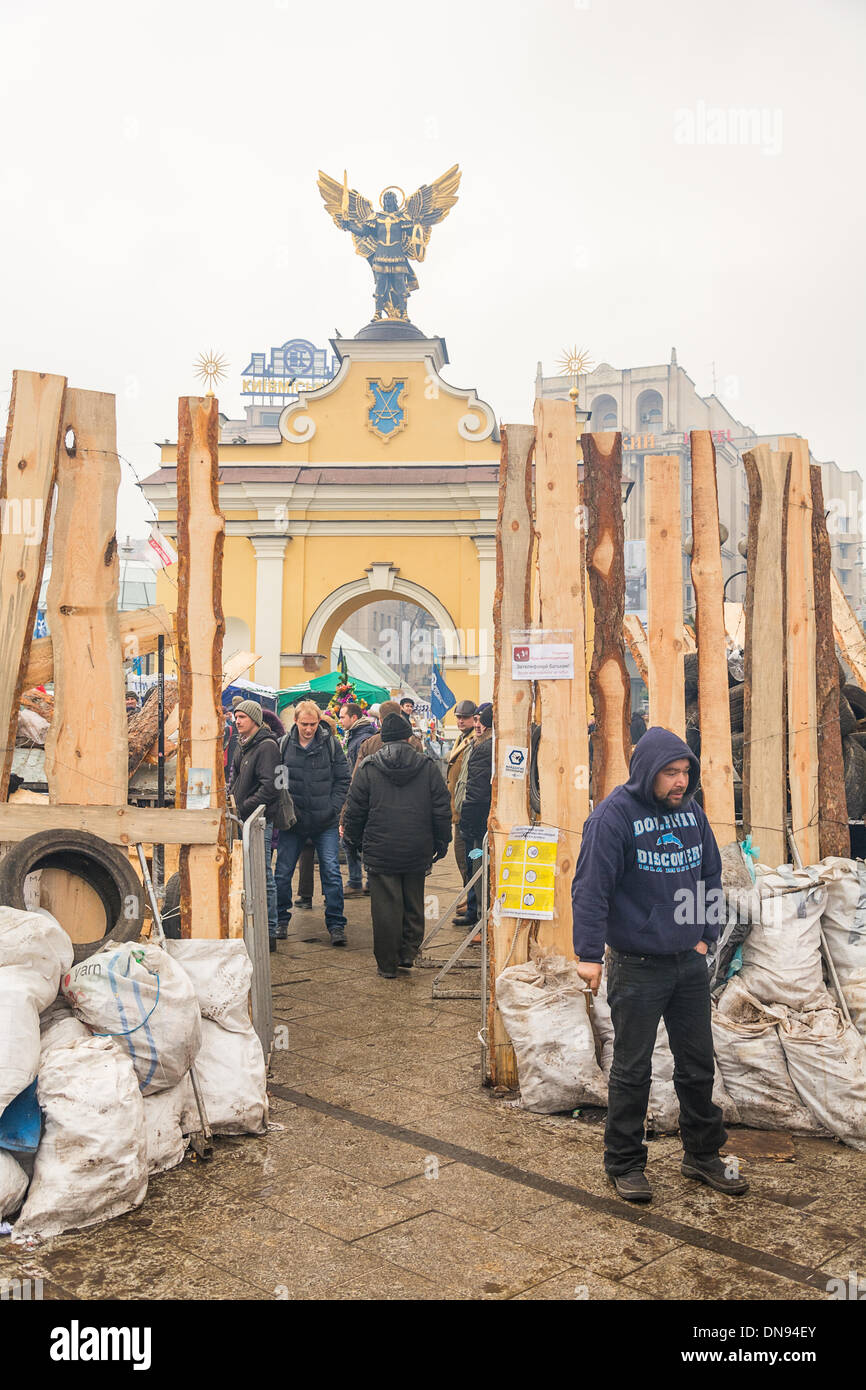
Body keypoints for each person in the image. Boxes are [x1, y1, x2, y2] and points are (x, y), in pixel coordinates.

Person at [571, 727, 748, 1203]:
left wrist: (706, 937)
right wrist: (588, 955)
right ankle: (624, 1163)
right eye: (670, 772)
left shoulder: (690, 811)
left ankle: (702, 1155)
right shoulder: (612, 819)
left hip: (688, 962)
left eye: (685, 772)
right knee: (632, 1069)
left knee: (696, 1066)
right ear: (647, 771)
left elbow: (711, 873)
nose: (679, 781)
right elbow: (590, 889)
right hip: (636, 965)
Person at [342, 712, 451, 978]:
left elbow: (355, 811)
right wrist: (441, 841)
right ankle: (407, 953)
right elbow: (441, 809)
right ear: (407, 737)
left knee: (385, 907)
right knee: (413, 901)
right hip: (417, 846)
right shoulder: (427, 767)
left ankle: (387, 964)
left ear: (383, 739)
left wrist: (353, 841)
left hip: (381, 849)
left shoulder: (368, 768)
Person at [274, 700, 350, 945]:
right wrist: (284, 810)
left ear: (319, 722)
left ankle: (336, 924)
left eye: (313, 724)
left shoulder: (330, 744)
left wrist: (333, 808)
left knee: (331, 871)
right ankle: (281, 920)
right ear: (295, 721)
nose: (309, 729)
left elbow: (343, 778)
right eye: (304, 724)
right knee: (283, 874)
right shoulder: (283, 745)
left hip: (324, 820)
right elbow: (278, 782)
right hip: (293, 823)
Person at [230, 700, 292, 953]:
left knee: (263, 874)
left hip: (258, 821)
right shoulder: (242, 745)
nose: (237, 721)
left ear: (255, 719)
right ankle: (254, 928)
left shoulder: (267, 747)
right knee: (249, 874)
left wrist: (243, 807)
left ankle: (269, 932)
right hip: (244, 818)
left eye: (242, 716)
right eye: (236, 716)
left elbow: (272, 787)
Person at [456, 704, 493, 930]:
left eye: (480, 721)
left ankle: (480, 919)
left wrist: (466, 824)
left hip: (477, 828)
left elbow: (476, 794)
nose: (476, 724)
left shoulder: (483, 749)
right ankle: (474, 912)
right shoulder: (479, 745)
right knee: (474, 868)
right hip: (479, 824)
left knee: (477, 867)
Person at [339, 701, 377, 895]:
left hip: (360, 796)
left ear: (354, 718)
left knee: (351, 839)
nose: (340, 721)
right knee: (357, 840)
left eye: (342, 717)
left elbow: (358, 771)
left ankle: (357, 881)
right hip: (360, 795)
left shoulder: (362, 738)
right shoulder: (356, 735)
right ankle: (367, 882)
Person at [446, 699, 478, 918]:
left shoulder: (472, 740)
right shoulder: (461, 738)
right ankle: (468, 894)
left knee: (467, 857)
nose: (460, 720)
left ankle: (472, 897)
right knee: (461, 857)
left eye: (464, 717)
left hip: (465, 810)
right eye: (458, 717)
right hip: (457, 810)